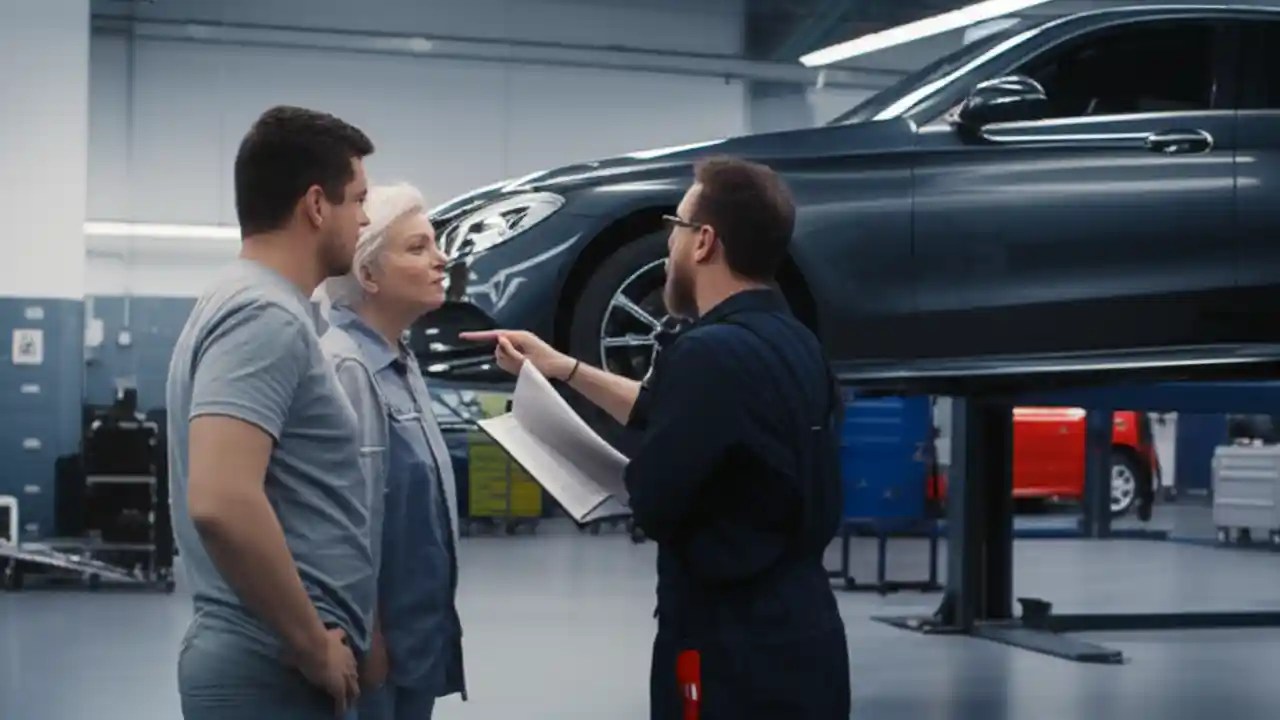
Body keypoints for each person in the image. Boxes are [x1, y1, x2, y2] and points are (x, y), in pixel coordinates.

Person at [464, 156, 851, 719]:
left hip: (728, 647)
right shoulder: (794, 343)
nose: (669, 246)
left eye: (675, 228)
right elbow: (676, 409)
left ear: (704, 243)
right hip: (804, 632)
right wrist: (563, 368)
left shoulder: (707, 354)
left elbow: (655, 500)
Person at [166, 105, 376, 719]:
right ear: (316, 205)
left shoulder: (246, 302)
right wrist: (312, 644)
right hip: (272, 663)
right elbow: (221, 501)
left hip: (271, 654)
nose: (366, 219)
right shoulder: (265, 316)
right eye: (357, 200)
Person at [314, 183, 467, 719]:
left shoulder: (399, 359)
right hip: (377, 649)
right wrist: (370, 634)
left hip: (417, 641)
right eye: (418, 247)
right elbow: (343, 524)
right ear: (369, 275)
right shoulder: (347, 367)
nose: (441, 259)